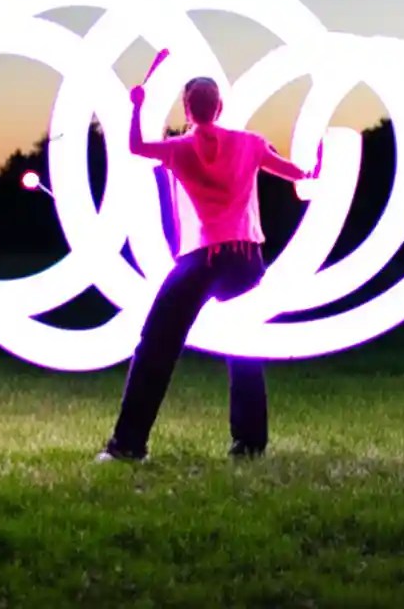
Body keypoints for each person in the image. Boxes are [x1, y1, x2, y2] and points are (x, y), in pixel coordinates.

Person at [97, 76, 317, 462]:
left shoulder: (180, 148)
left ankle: (128, 444)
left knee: (156, 343)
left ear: (187, 108)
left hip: (203, 258)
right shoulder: (250, 143)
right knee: (243, 348)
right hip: (246, 259)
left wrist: (137, 106)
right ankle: (249, 443)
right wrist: (317, 165)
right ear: (220, 107)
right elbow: (296, 173)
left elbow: (136, 146)